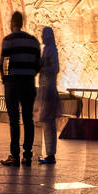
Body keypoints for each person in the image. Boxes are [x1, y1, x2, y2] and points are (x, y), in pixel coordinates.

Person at [0, 11, 40, 166]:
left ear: (12, 23)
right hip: (28, 84)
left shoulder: (8, 40)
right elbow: (38, 64)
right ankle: (27, 155)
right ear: (22, 22)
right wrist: (29, 75)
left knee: (14, 120)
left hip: (13, 84)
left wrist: (5, 79)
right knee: (28, 119)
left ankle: (14, 155)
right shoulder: (33, 41)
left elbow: (3, 63)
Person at [36, 27, 60, 164]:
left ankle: (51, 154)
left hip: (49, 91)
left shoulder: (51, 50)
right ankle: (49, 153)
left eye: (44, 35)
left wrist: (43, 68)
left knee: (49, 123)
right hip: (45, 89)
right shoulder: (47, 49)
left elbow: (55, 68)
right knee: (47, 123)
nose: (42, 37)